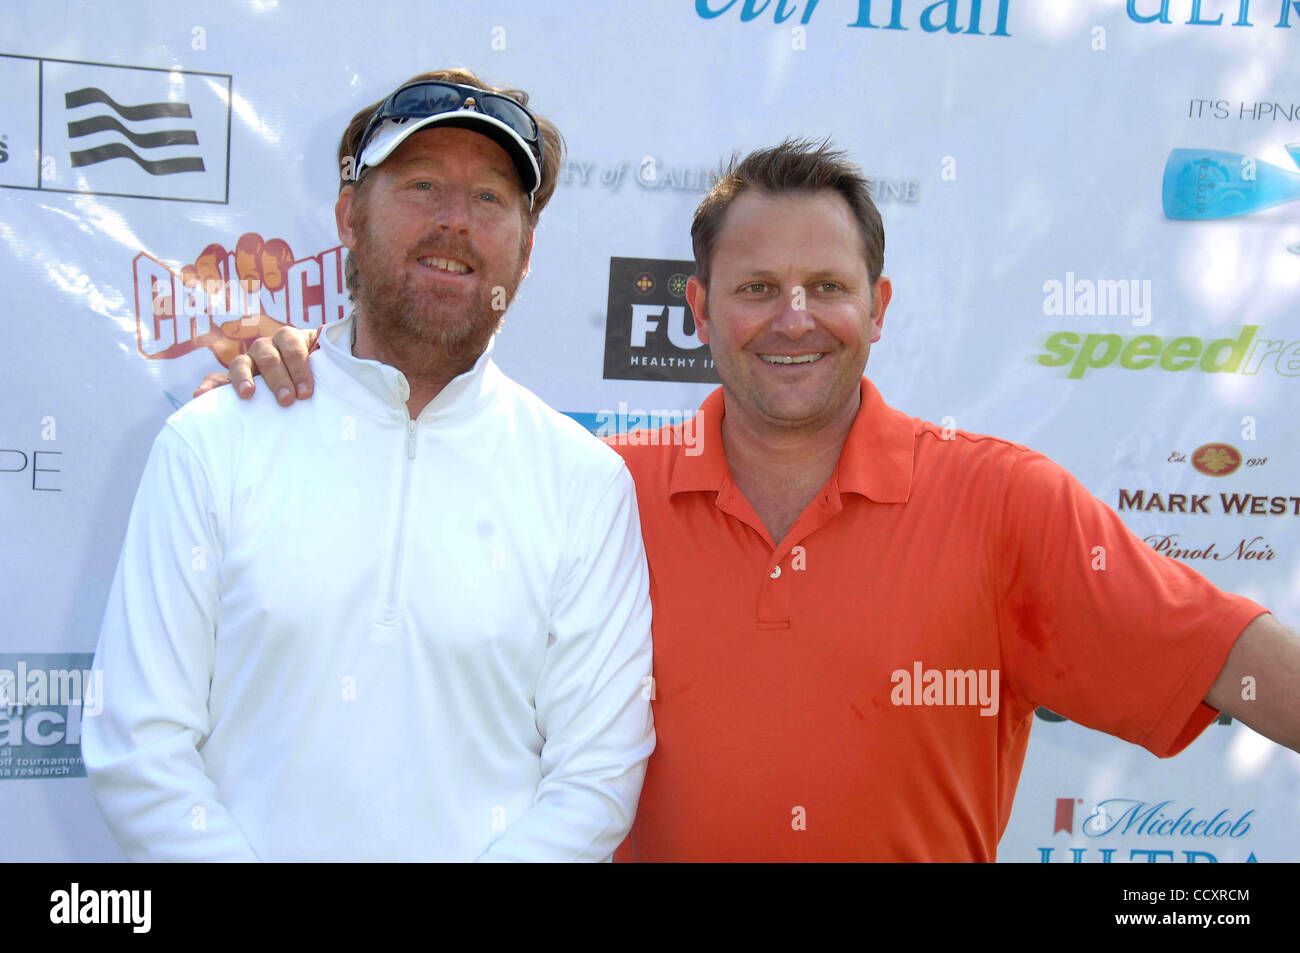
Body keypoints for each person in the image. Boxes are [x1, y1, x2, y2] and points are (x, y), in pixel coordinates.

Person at [198, 139, 1300, 862]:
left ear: (879, 305)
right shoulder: (593, 488)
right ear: (697, 308)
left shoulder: (1001, 500)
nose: (793, 318)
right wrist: (305, 383)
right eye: (757, 288)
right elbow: (394, 489)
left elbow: (1228, 656)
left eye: (826, 287)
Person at [84, 69, 655, 862]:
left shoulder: (585, 483)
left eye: (491, 198)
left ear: (525, 254)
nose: (456, 221)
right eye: (422, 184)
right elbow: (137, 746)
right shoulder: (211, 442)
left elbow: (595, 776)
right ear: (350, 216)